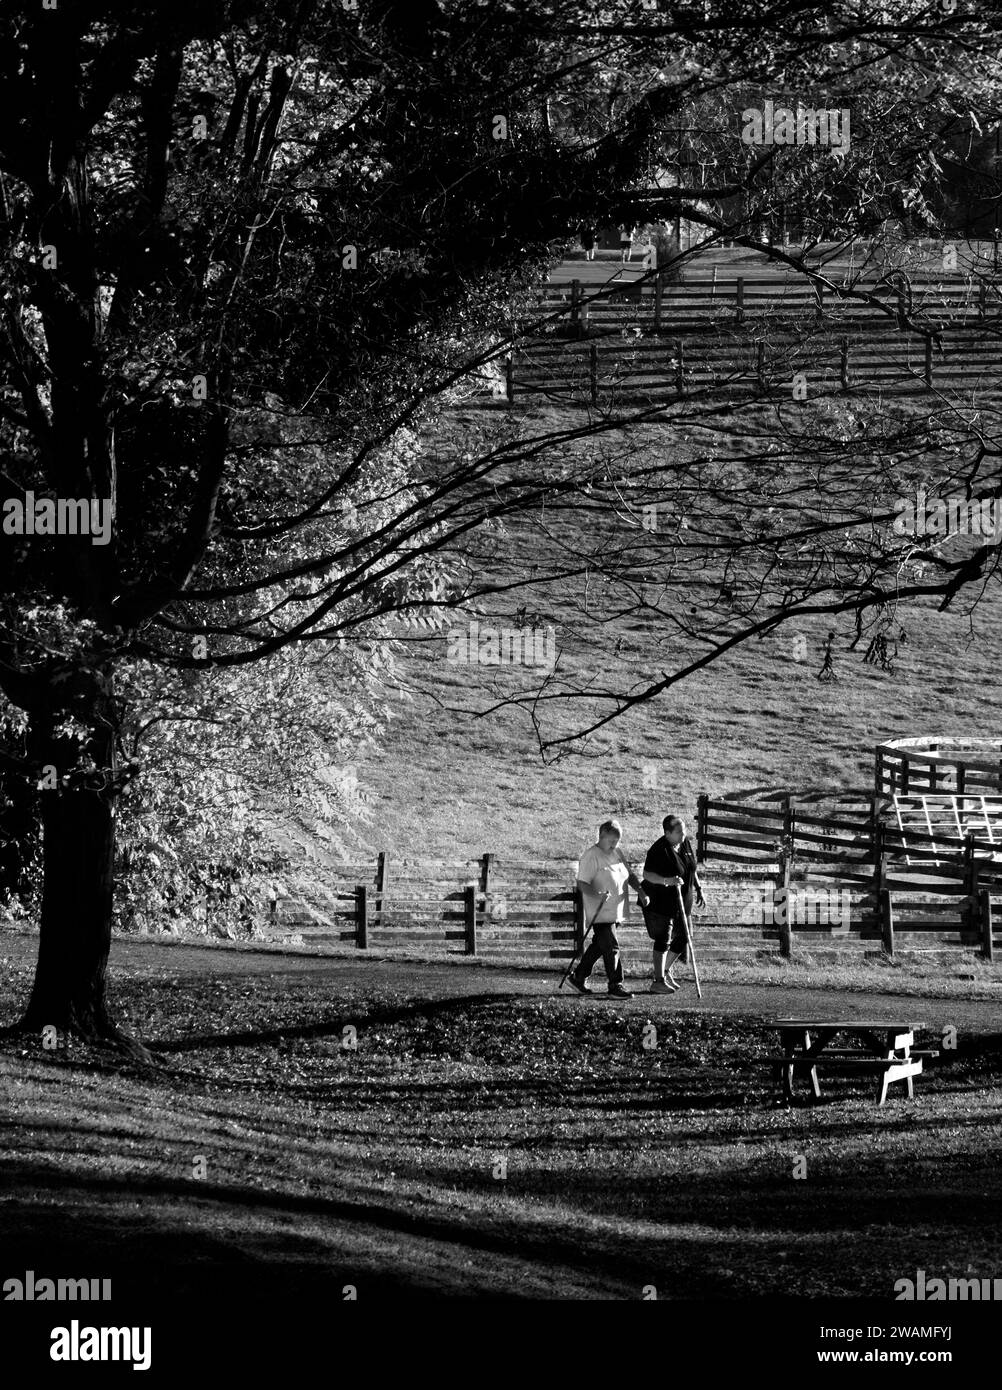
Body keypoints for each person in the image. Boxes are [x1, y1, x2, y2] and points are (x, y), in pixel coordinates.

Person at [568, 819, 646, 999]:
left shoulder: (617, 852)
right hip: (600, 911)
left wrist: (641, 892)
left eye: (617, 841)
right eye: (611, 841)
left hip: (616, 910)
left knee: (599, 946)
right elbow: (582, 884)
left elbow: (629, 875)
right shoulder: (591, 856)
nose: (614, 845)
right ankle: (615, 985)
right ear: (601, 836)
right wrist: (597, 894)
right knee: (611, 947)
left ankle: (578, 977)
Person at [641, 814, 705, 994]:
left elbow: (690, 867)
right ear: (667, 833)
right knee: (663, 938)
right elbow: (647, 875)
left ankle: (665, 969)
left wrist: (698, 887)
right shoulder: (658, 849)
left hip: (682, 901)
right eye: (678, 832)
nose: (683, 835)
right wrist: (667, 880)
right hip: (660, 902)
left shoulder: (684, 843)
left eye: (684, 831)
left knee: (685, 937)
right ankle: (658, 981)